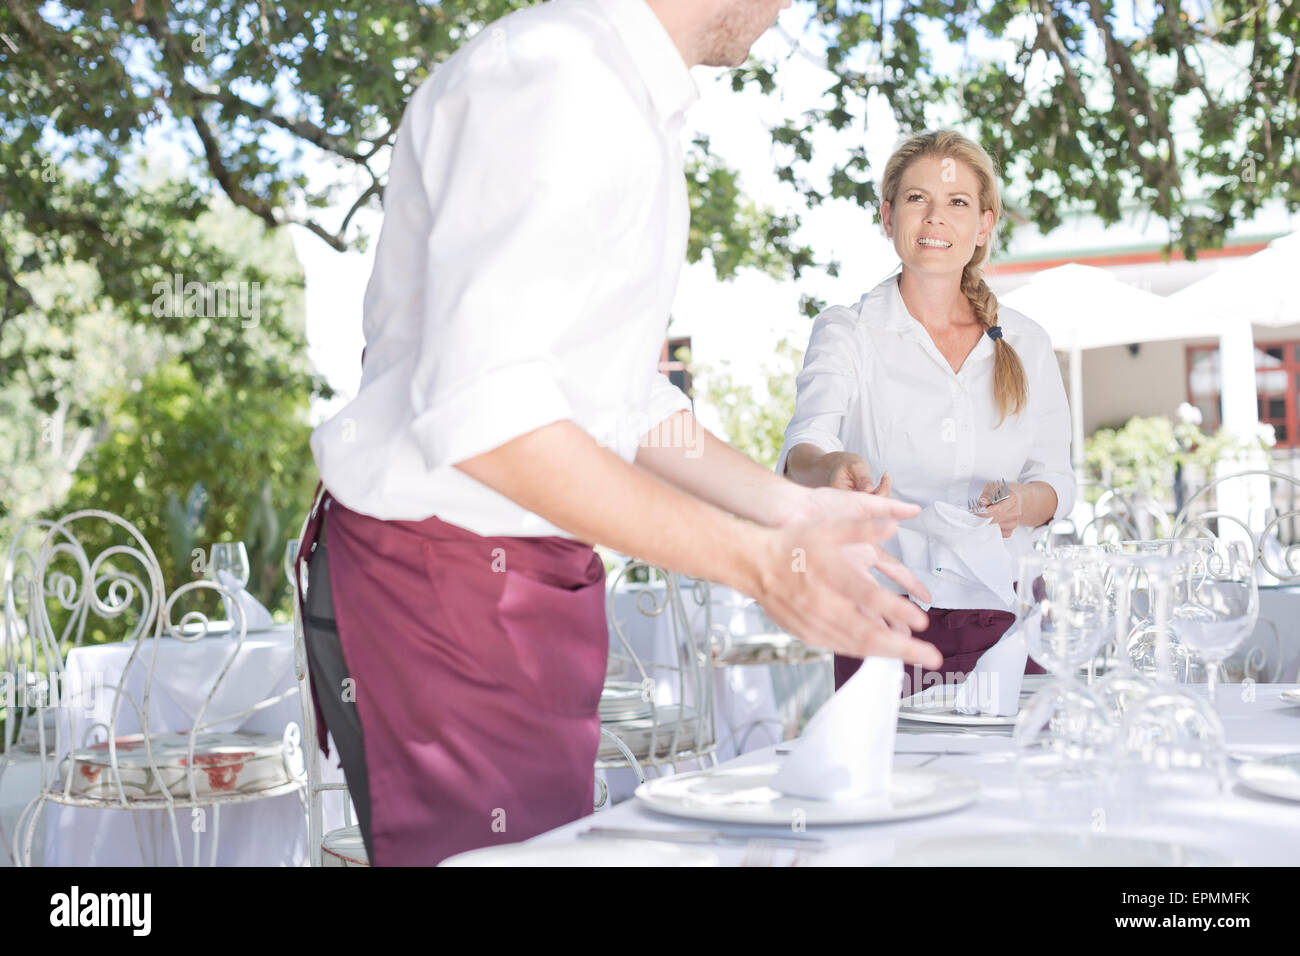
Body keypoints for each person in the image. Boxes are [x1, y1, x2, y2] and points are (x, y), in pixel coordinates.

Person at [296, 0, 942, 867]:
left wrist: (789, 510)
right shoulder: (561, 76)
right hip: (443, 586)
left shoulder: (617, 90)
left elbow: (615, 398)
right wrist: (757, 564)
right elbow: (490, 419)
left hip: (510, 584)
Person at [778, 129, 1076, 697]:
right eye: (918, 199)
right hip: (883, 615)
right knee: (890, 782)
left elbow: (1056, 481)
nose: (936, 218)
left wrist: (1021, 504)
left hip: (1008, 614)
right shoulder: (849, 331)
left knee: (1012, 782)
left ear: (984, 224)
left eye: (957, 203)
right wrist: (832, 466)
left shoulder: (1028, 342)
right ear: (888, 217)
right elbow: (804, 449)